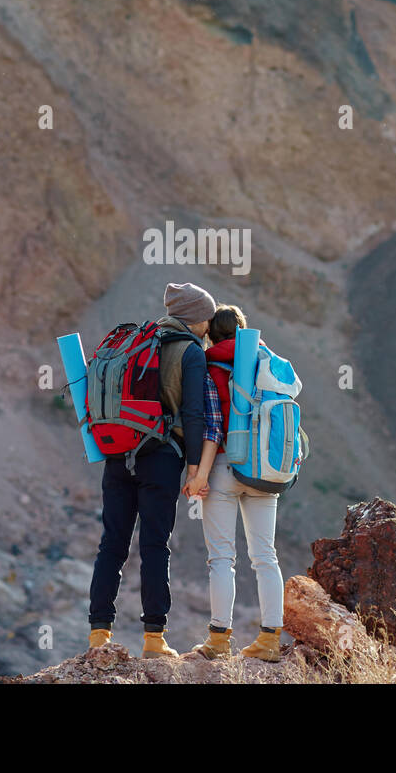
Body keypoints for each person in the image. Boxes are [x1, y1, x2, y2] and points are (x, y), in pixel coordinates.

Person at [87, 282, 222, 658]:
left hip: (118, 454)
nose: (209, 326)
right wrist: (196, 469)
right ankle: (154, 639)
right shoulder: (189, 352)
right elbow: (194, 413)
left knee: (111, 544)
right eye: (207, 318)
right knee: (154, 546)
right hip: (161, 456)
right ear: (196, 318)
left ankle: (99, 636)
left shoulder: (138, 341)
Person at [184, 304, 285, 663]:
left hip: (224, 466)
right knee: (265, 557)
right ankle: (270, 640)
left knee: (222, 559)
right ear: (244, 331)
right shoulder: (267, 361)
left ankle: (218, 639)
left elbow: (207, 423)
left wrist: (197, 473)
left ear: (211, 332)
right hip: (262, 469)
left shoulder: (206, 364)